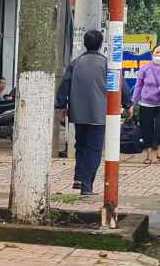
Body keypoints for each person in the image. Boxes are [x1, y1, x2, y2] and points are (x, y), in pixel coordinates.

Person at [56, 29, 132, 196]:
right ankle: (86, 185)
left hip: (78, 113)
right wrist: (128, 103)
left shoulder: (76, 62)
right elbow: (119, 84)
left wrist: (61, 106)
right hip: (98, 114)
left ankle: (79, 176)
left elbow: (65, 85)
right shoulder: (107, 63)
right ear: (100, 44)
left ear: (85, 43)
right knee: (94, 149)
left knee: (81, 146)